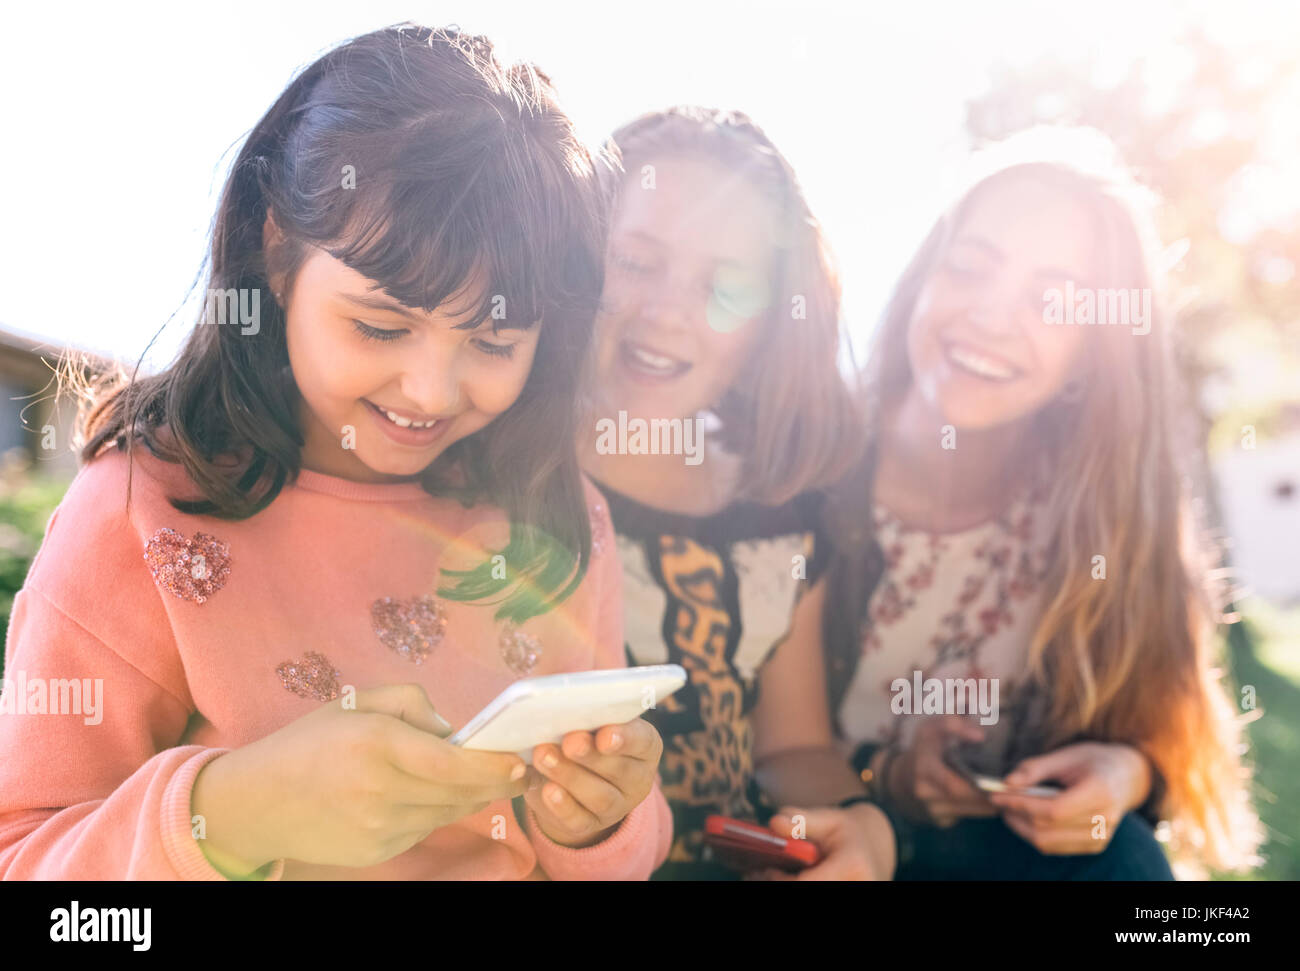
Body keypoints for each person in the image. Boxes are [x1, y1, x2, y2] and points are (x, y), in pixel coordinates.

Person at [0, 24, 671, 880]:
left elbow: (626, 851)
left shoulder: (555, 511)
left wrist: (598, 820)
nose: (430, 391)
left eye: (495, 342)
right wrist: (232, 813)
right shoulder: (140, 514)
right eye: (380, 325)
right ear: (277, 251)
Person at [818, 127, 1260, 878]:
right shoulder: (809, 475)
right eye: (968, 268)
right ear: (924, 278)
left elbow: (1164, 746)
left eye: (1052, 300)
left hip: (1004, 857)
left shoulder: (1106, 512)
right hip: (830, 842)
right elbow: (745, 745)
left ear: (1095, 351)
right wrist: (887, 776)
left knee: (1126, 857)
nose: (991, 317)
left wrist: (1126, 776)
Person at [579, 106, 895, 879]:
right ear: (574, 253)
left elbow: (793, 747)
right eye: (635, 261)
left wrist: (855, 828)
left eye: (726, 287)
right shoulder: (500, 474)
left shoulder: (779, 516)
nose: (668, 312)